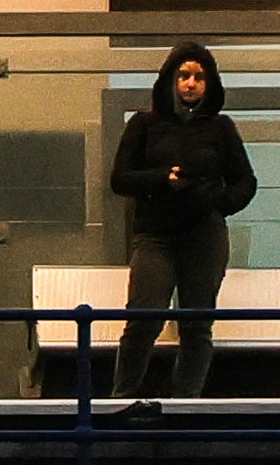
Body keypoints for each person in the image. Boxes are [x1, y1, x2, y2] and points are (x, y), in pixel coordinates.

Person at [106, 41, 252, 403]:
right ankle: (122, 400)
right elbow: (120, 178)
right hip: (156, 235)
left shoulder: (221, 128)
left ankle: (186, 403)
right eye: (184, 75)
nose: (190, 83)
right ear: (170, 80)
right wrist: (161, 179)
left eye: (199, 77)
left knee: (197, 325)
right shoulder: (144, 124)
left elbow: (245, 182)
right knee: (143, 319)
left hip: (204, 236)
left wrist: (218, 204)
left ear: (210, 84)